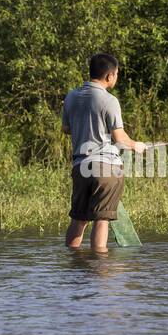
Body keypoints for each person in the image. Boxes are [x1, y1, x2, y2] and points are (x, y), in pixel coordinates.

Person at [62, 53, 146, 251]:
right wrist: (138, 146)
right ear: (109, 76)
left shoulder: (71, 97)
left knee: (78, 218)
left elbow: (66, 129)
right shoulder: (109, 100)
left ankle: (73, 262)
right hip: (107, 167)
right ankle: (99, 268)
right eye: (116, 74)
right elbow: (120, 138)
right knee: (102, 219)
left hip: (80, 166)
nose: (116, 78)